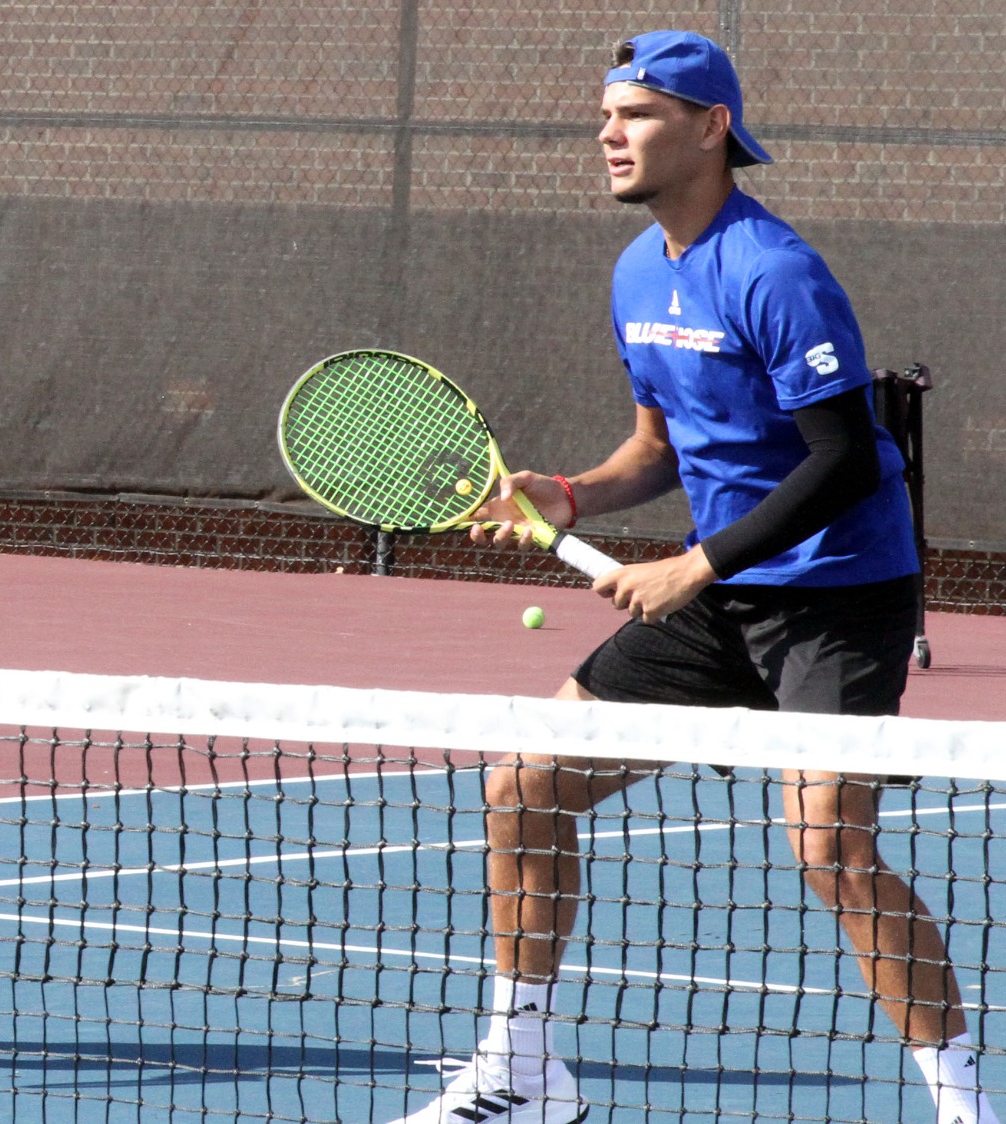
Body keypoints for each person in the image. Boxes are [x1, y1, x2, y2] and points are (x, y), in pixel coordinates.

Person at [393, 31, 997, 1124]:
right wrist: (569, 493)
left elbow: (844, 456)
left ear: (710, 127)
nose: (605, 132)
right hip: (718, 595)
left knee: (829, 852)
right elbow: (659, 450)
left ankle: (964, 1104)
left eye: (633, 113)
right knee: (523, 789)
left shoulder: (773, 271)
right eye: (604, 113)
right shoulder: (635, 272)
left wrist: (692, 563)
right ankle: (521, 1069)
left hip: (837, 598)